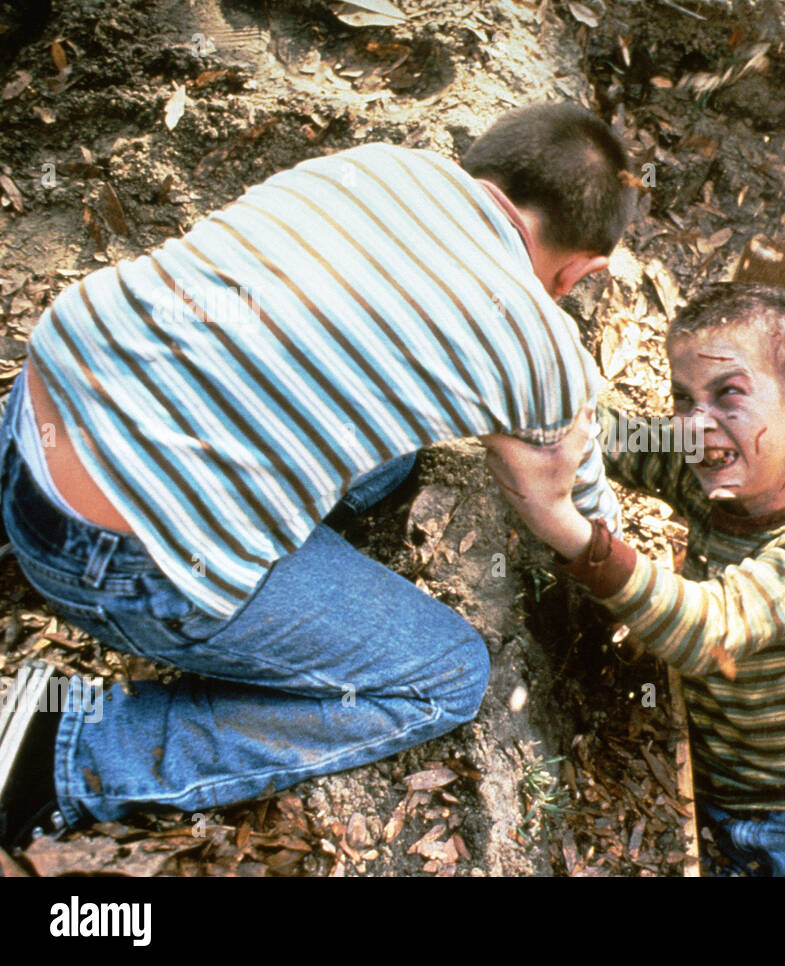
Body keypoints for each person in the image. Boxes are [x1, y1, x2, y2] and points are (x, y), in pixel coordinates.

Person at [0, 102, 634, 852]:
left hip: (31, 421)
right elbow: (580, 514)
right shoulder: (542, 345)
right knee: (447, 677)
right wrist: (627, 581)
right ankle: (64, 753)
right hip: (122, 557)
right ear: (582, 270)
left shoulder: (379, 165)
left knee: (385, 456)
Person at [484, 282, 785, 876]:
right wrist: (518, 367)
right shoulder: (709, 470)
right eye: (683, 399)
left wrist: (571, 533)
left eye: (729, 395)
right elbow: (607, 432)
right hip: (716, 798)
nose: (695, 425)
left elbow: (714, 632)